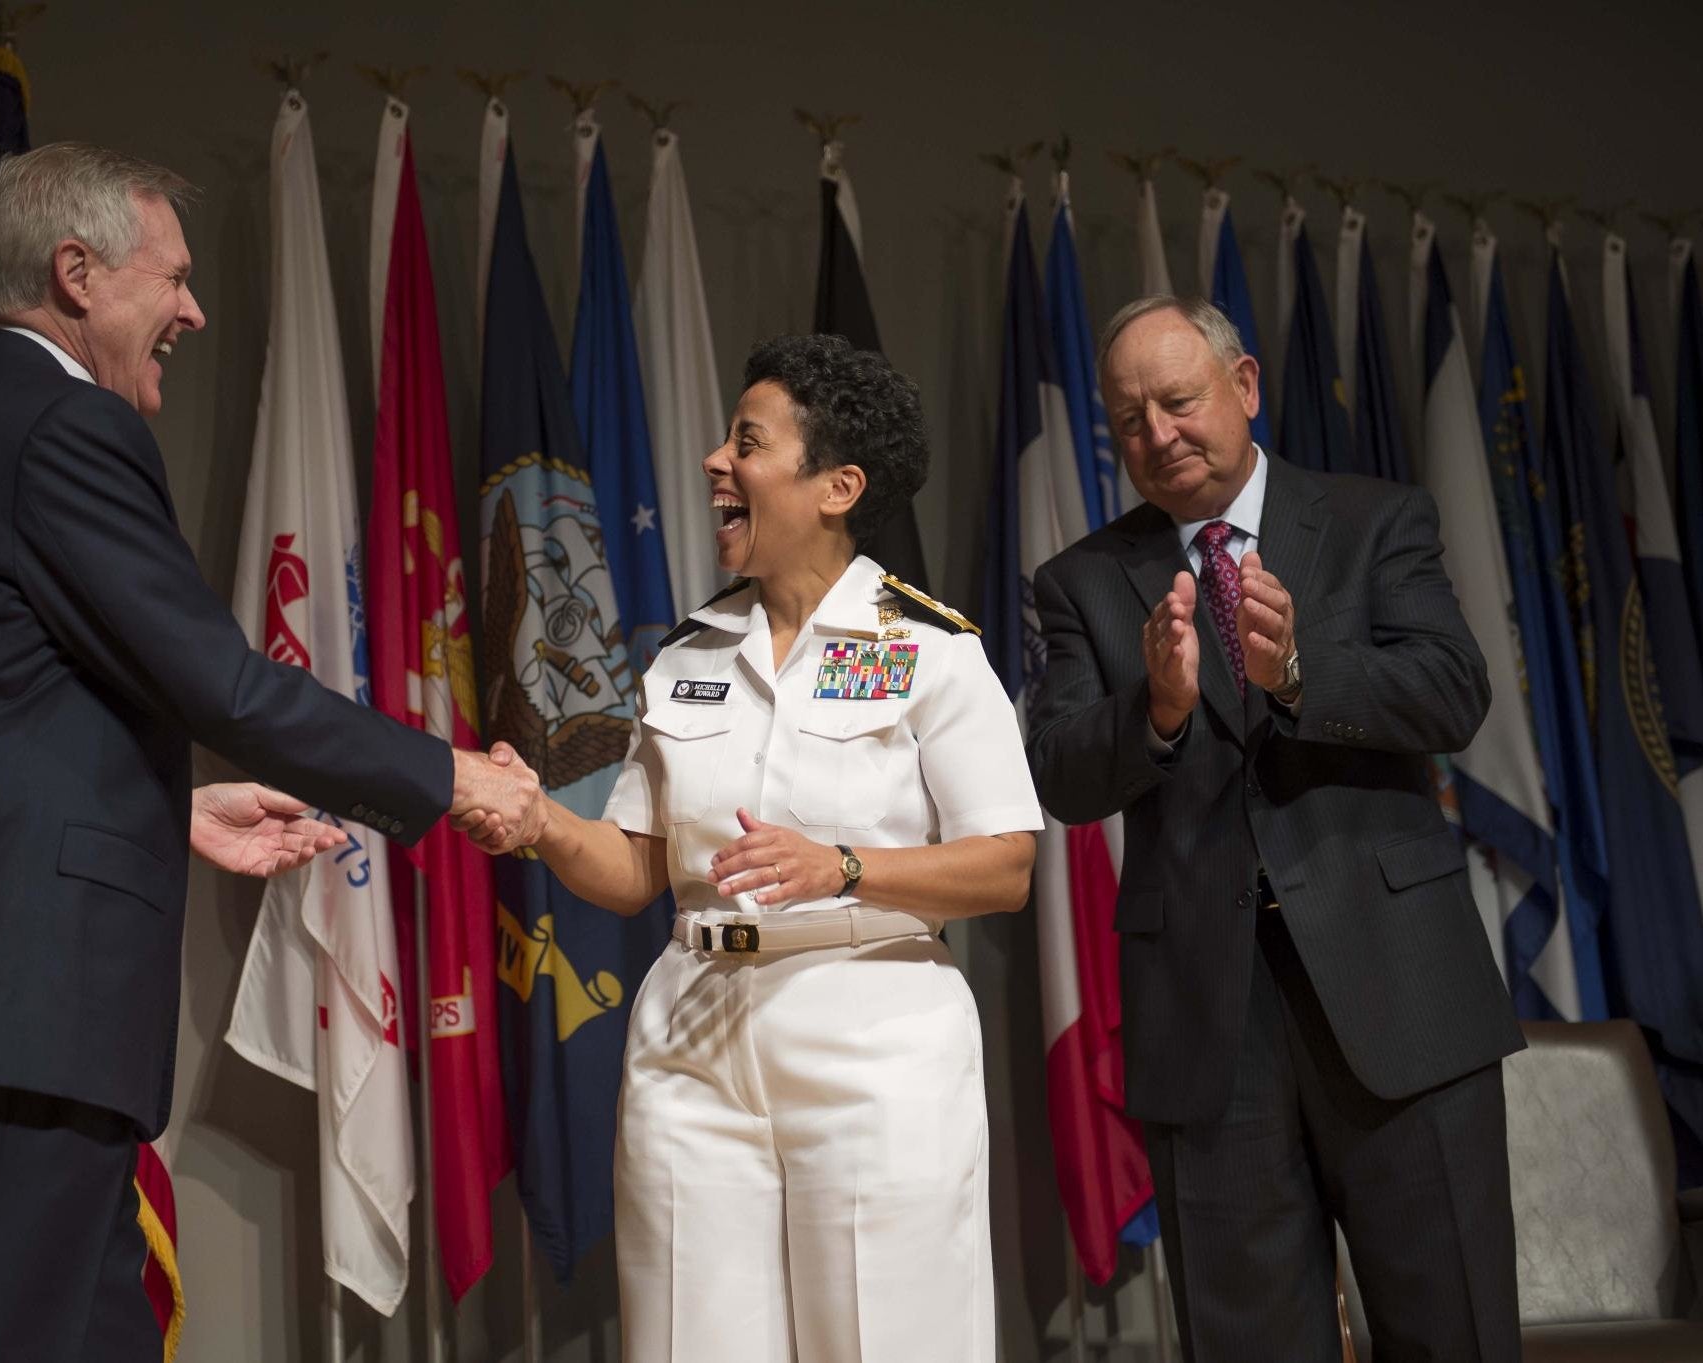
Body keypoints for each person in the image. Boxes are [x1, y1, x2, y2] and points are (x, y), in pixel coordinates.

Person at [0, 143, 538, 1363]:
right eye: (170, 278)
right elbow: (224, 681)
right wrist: (453, 776)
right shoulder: (60, 425)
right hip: (22, 1005)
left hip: (6, 999)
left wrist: (169, 805)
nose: (193, 310)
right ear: (76, 274)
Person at [492, 334, 1040, 1361]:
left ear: (837, 485)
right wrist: (544, 823)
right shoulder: (689, 655)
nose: (715, 462)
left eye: (746, 443)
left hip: (872, 1036)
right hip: (691, 1040)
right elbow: (637, 868)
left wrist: (842, 867)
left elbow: (1006, 864)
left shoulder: (930, 648)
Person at [1027, 295, 1525, 1361]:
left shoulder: (1372, 519)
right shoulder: (1080, 581)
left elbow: (1451, 692)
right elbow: (1061, 773)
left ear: (1244, 386)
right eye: (1128, 421)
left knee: (1456, 1335)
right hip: (1209, 1031)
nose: (1156, 435)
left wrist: (1298, 673)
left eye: (1178, 401)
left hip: (1401, 1000)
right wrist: (1154, 710)